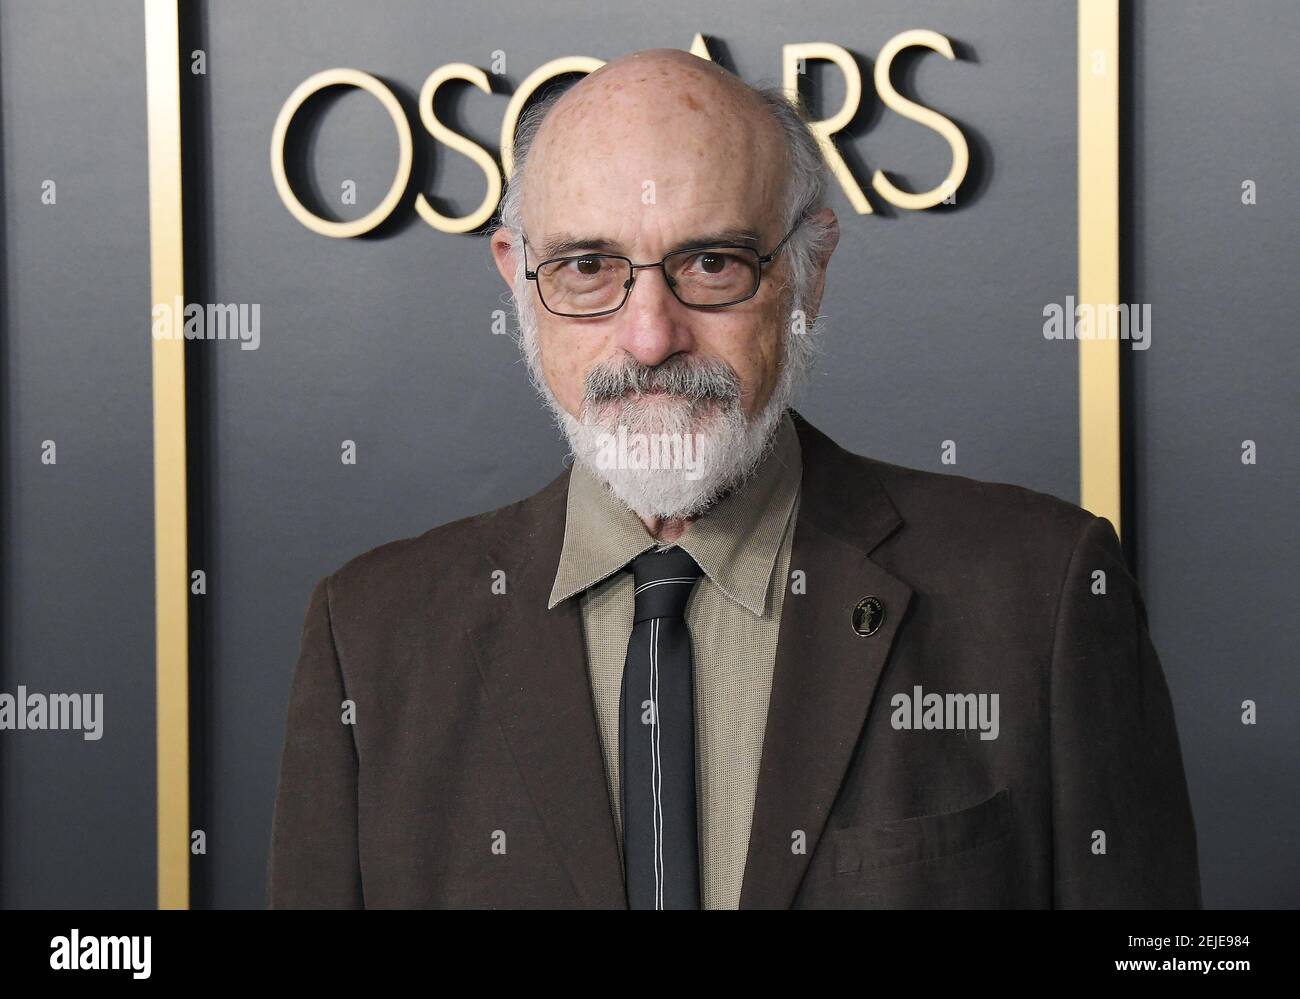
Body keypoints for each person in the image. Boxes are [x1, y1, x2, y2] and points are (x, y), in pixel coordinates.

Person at [266, 48, 1200, 909]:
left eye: (711, 264)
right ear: (519, 279)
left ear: (810, 271)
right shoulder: (371, 633)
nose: (649, 336)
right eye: (589, 268)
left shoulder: (1039, 592)